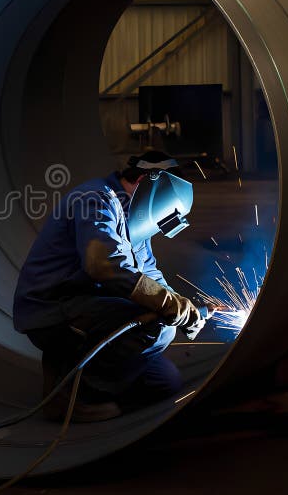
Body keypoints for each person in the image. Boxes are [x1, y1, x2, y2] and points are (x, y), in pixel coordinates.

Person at [13, 151, 213, 422]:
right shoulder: (96, 199)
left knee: (165, 381)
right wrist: (168, 306)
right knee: (159, 325)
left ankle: (82, 373)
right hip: (53, 309)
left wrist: (183, 305)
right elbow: (103, 264)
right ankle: (69, 392)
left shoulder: (134, 217)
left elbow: (148, 272)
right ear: (143, 181)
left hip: (95, 306)